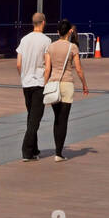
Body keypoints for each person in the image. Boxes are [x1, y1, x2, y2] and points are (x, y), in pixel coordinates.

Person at [43, 18, 89, 160]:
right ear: (69, 31)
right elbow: (79, 69)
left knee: (57, 119)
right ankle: (58, 153)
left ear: (57, 32)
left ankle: (58, 151)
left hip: (53, 84)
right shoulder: (72, 47)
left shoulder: (50, 47)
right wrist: (84, 85)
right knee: (64, 119)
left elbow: (47, 69)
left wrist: (44, 86)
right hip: (67, 85)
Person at [17, 12, 50, 161]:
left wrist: (24, 76)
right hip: (39, 83)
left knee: (31, 116)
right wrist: (46, 81)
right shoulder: (46, 41)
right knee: (35, 118)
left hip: (26, 83)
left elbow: (18, 63)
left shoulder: (24, 40)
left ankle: (34, 149)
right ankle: (26, 151)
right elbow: (48, 65)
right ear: (43, 22)